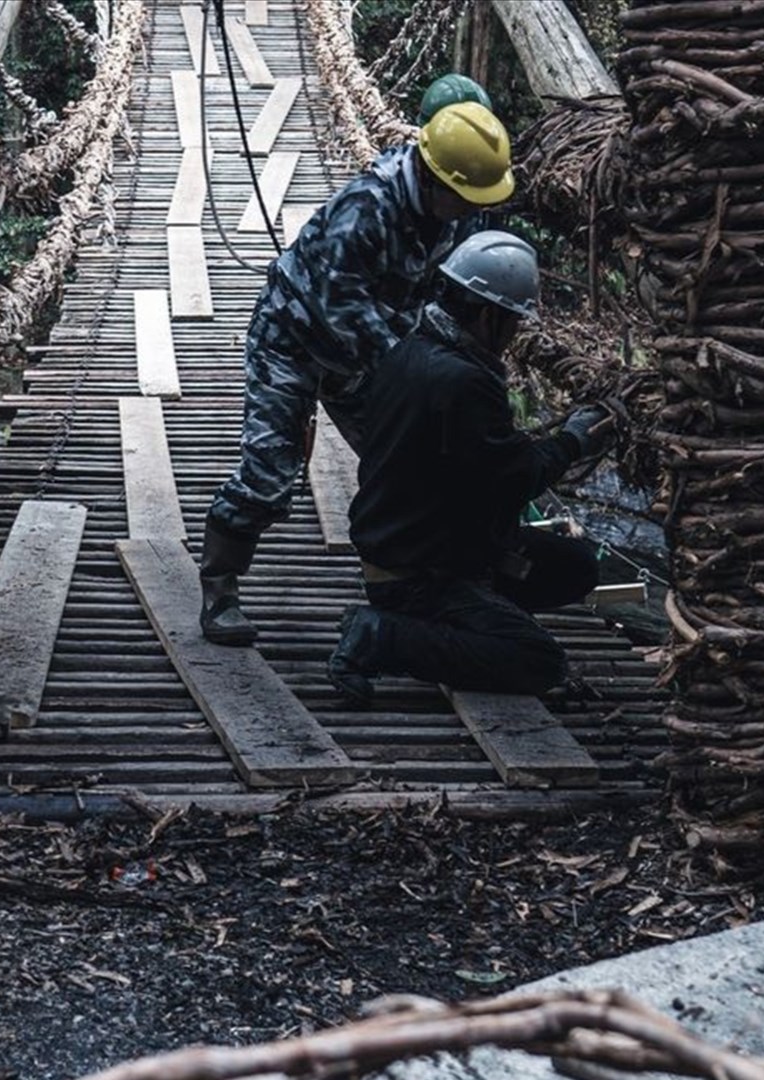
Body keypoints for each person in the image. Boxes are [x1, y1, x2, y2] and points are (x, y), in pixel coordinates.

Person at [199, 101, 516, 646]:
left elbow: (436, 295)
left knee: (413, 458)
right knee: (271, 473)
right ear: (435, 178)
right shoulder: (364, 211)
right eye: (465, 198)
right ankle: (220, 586)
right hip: (292, 339)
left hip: (368, 350)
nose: (470, 210)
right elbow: (341, 307)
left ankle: (418, 582)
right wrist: (416, 374)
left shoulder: (448, 211)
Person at [327, 230, 613, 706]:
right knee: (538, 661)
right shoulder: (462, 381)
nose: (516, 333)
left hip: (418, 540)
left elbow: (485, 463)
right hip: (419, 570)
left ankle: (465, 619)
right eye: (514, 322)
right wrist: (573, 442)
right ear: (487, 316)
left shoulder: (410, 350)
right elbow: (514, 477)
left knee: (576, 566)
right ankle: (381, 636)